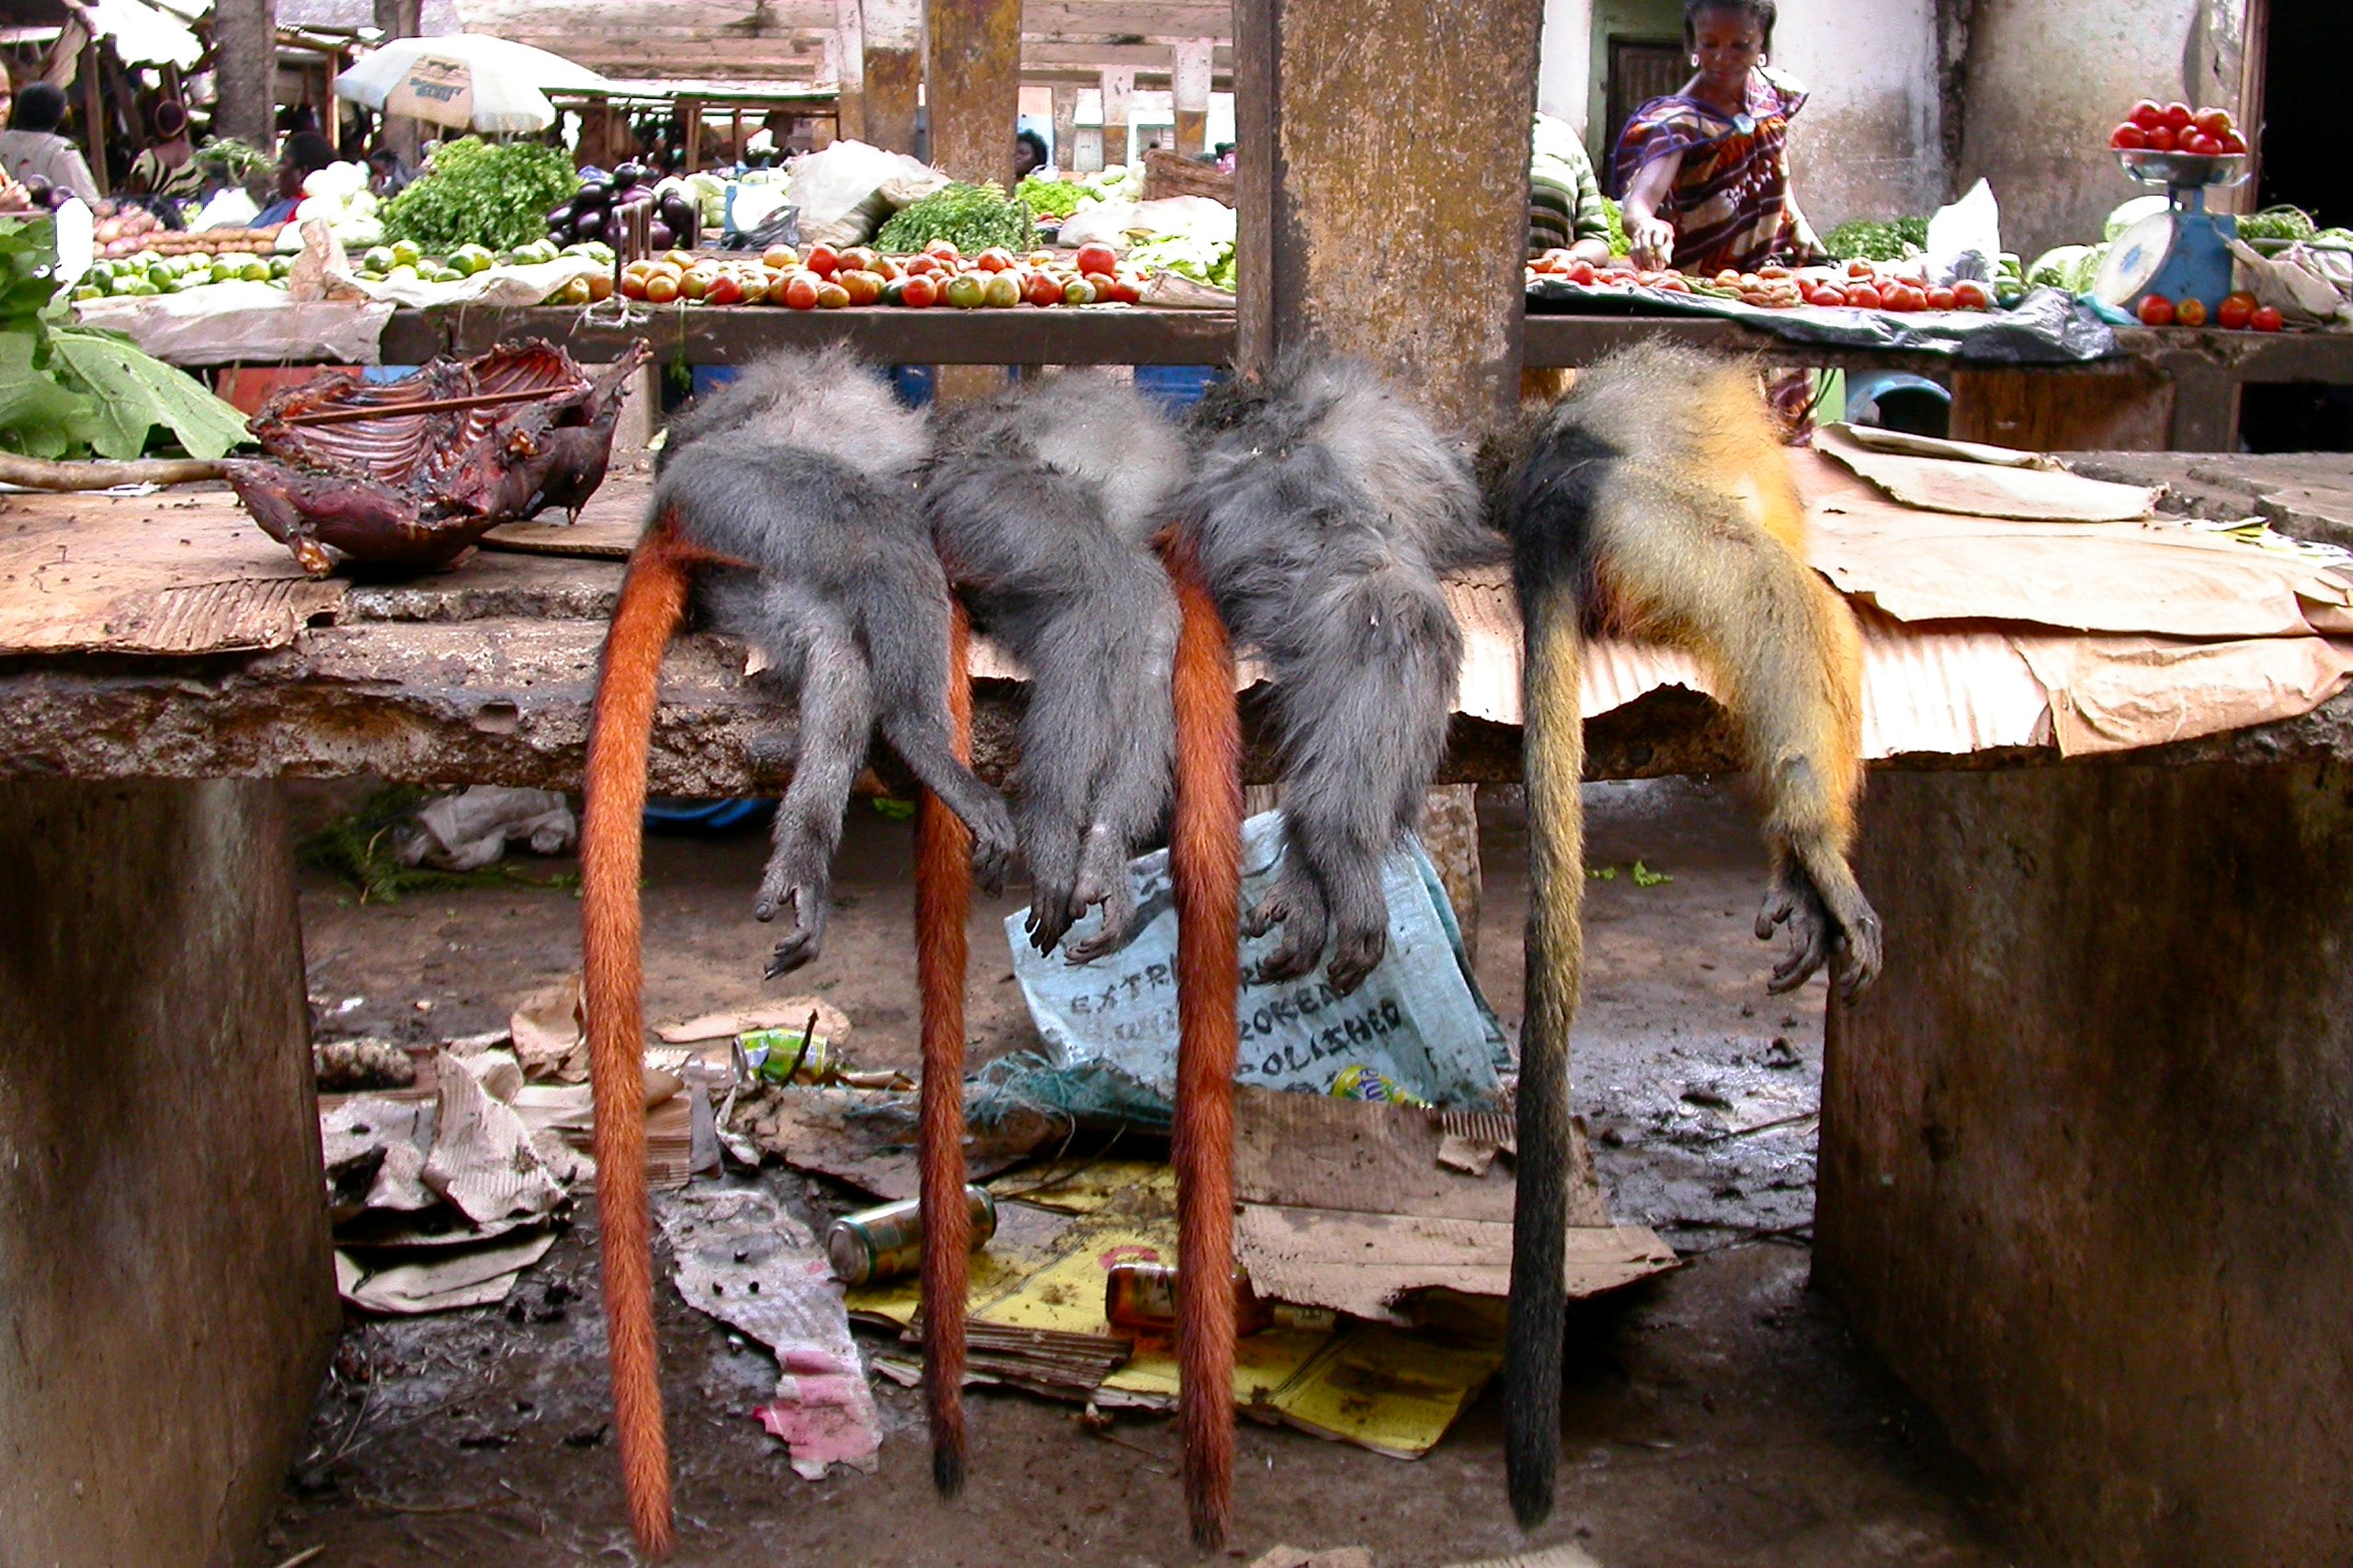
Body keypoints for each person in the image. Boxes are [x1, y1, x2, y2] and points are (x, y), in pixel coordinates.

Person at [1612, 0, 1826, 276]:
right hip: (1705, 286)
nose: (1721, 58)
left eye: (1740, 45)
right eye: (1709, 44)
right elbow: (1640, 203)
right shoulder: (1679, 122)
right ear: (1692, 44)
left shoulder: (1773, 94)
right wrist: (1645, 226)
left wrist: (1797, 221)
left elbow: (1774, 161)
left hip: (1770, 278)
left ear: (1762, 42)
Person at [1529, 111, 1613, 265]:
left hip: (1542, 284)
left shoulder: (1559, 137)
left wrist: (1574, 257)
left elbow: (1595, 239)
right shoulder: (1472, 132)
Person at [0, 81, 100, 201]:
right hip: (43, 219)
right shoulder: (60, 149)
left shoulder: (2, 140)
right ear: (59, 115)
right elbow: (86, 202)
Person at [123, 98, 203, 201]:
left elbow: (135, 200)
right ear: (184, 125)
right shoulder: (197, 157)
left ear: (157, 126)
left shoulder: (147, 160)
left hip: (157, 216)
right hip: (193, 214)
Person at [253, 131, 334, 227]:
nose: (277, 171)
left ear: (301, 172)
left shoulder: (295, 211)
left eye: (282, 162)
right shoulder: (331, 208)